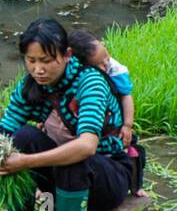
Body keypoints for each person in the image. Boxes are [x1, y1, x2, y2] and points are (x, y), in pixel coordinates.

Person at [0, 17, 135, 211]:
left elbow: (87, 146)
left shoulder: (90, 83)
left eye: (47, 61)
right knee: (21, 137)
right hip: (61, 175)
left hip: (107, 174)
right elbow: (3, 133)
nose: (39, 69)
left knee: (74, 158)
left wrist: (25, 162)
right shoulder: (30, 86)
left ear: (67, 55)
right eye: (31, 60)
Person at [50, 28, 146, 197]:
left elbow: (126, 96)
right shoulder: (73, 81)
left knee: (133, 151)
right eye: (101, 64)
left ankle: (137, 188)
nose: (107, 64)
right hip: (92, 132)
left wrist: (127, 125)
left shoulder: (114, 70)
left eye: (107, 57)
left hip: (114, 127)